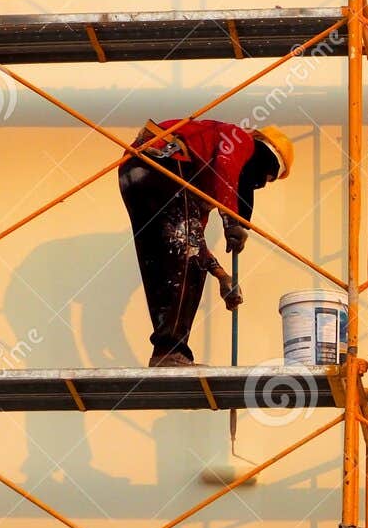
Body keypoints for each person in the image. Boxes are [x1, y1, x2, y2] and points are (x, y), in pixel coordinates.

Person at [118, 119, 294, 367]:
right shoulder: (240, 139)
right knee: (186, 265)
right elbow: (227, 163)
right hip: (165, 161)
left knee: (161, 263)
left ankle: (165, 352)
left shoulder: (199, 184)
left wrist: (222, 276)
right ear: (266, 157)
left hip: (134, 169)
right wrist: (232, 221)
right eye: (267, 176)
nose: (262, 184)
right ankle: (171, 352)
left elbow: (194, 241)